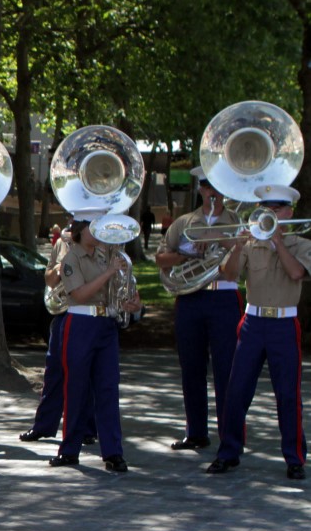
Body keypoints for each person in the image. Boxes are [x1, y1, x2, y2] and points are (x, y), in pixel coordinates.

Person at [207, 185, 311, 480]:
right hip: (252, 322)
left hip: (283, 324)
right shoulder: (252, 243)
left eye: (277, 209)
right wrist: (238, 246)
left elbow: (296, 274)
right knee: (236, 391)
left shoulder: (300, 244)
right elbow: (229, 275)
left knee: (287, 395)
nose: (271, 214)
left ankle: (294, 458)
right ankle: (228, 452)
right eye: (266, 209)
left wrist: (278, 242)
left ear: (289, 212)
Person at [154, 166, 240, 452]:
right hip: (190, 298)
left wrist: (215, 236)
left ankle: (230, 438)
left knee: (226, 370)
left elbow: (242, 262)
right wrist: (184, 254)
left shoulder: (236, 222)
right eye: (206, 186)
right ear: (200, 188)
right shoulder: (184, 223)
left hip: (224, 298)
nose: (211, 192)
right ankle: (196, 433)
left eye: (216, 187)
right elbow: (161, 259)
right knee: (191, 368)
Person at [46, 212, 139, 472]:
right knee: (76, 389)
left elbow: (123, 288)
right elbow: (80, 293)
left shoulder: (107, 254)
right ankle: (69, 450)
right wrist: (109, 272)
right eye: (94, 228)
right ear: (81, 230)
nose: (100, 233)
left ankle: (113, 452)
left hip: (106, 324)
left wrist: (132, 302)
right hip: (80, 323)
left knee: (108, 389)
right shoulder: (70, 258)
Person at [19, 223, 96, 445]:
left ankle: (87, 428)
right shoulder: (62, 242)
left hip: (85, 312)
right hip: (63, 313)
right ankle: (44, 425)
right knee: (54, 371)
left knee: (85, 372)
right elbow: (50, 279)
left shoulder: (98, 243)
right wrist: (64, 263)